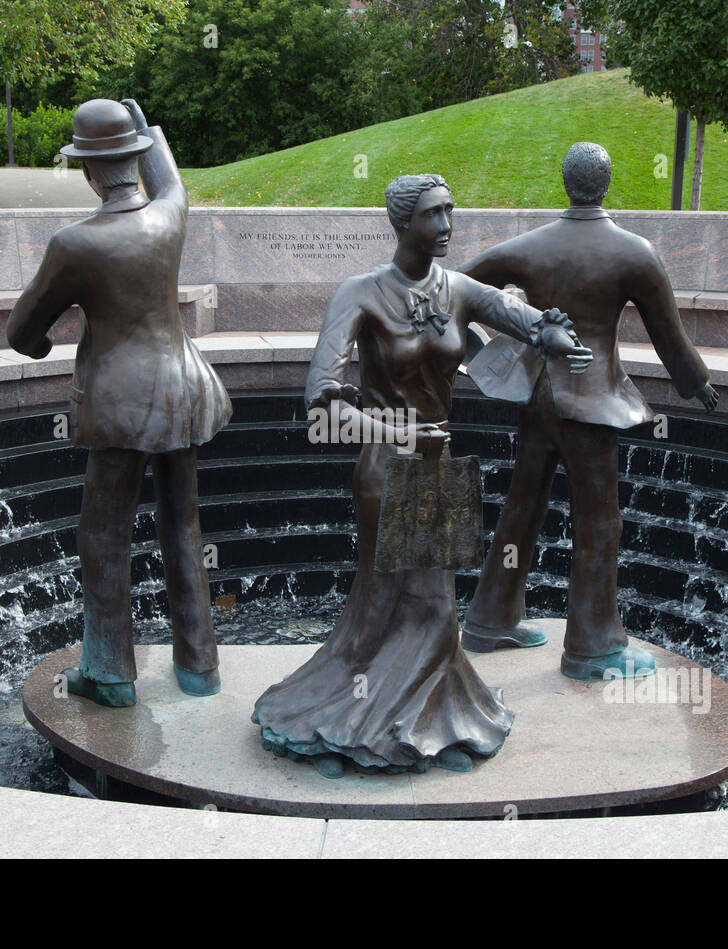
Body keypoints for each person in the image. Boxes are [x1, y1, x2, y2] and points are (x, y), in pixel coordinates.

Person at [251, 174, 590, 777]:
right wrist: (398, 433)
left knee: (424, 609)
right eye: (434, 214)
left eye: (451, 211)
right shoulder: (359, 294)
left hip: (439, 465)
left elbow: (523, 318)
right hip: (388, 465)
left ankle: (416, 722)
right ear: (402, 222)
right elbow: (322, 401)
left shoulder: (459, 289)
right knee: (394, 605)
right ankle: (362, 725)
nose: (447, 226)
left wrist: (555, 336)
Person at [462, 142, 719, 679]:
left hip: (538, 401)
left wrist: (474, 356)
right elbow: (671, 342)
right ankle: (592, 646)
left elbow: (453, 290)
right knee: (599, 522)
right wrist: (698, 386)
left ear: (565, 182)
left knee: (522, 507)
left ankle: (489, 620)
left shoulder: (531, 246)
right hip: (592, 404)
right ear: (606, 182)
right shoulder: (634, 253)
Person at [7, 99, 232, 707]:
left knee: (104, 533)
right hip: (184, 390)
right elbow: (172, 180)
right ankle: (199, 666)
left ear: (85, 170)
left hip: (118, 403)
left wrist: (45, 342)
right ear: (134, 158)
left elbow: (21, 332)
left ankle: (109, 673)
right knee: (183, 522)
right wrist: (147, 125)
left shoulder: (75, 243)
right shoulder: (169, 216)